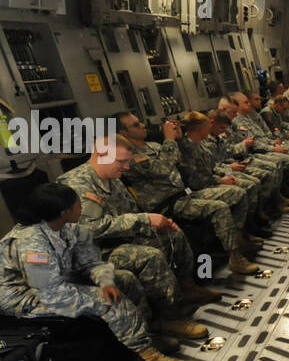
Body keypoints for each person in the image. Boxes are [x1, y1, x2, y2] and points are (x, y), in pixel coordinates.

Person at [0, 183, 198, 361]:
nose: (82, 209)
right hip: (21, 295)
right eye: (78, 205)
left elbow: (91, 262)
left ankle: (145, 336)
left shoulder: (67, 229)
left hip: (56, 282)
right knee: (111, 302)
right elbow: (50, 291)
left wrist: (105, 282)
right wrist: (98, 295)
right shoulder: (32, 242)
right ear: (64, 212)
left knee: (124, 280)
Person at [57, 136, 215, 336]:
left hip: (116, 238)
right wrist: (143, 221)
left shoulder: (113, 179)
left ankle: (187, 289)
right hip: (93, 252)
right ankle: (168, 318)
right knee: (149, 256)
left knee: (174, 235)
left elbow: (128, 212)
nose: (126, 167)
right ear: (102, 154)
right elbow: (89, 229)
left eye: (127, 161)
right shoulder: (75, 185)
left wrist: (154, 225)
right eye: (121, 161)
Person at [117, 115, 261, 274]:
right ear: (124, 132)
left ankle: (240, 238)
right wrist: (170, 140)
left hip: (185, 194)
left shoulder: (154, 146)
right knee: (219, 208)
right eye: (137, 125)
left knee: (237, 193)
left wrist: (180, 139)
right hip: (166, 204)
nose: (143, 125)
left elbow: (183, 162)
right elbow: (163, 170)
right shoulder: (129, 155)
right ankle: (235, 258)